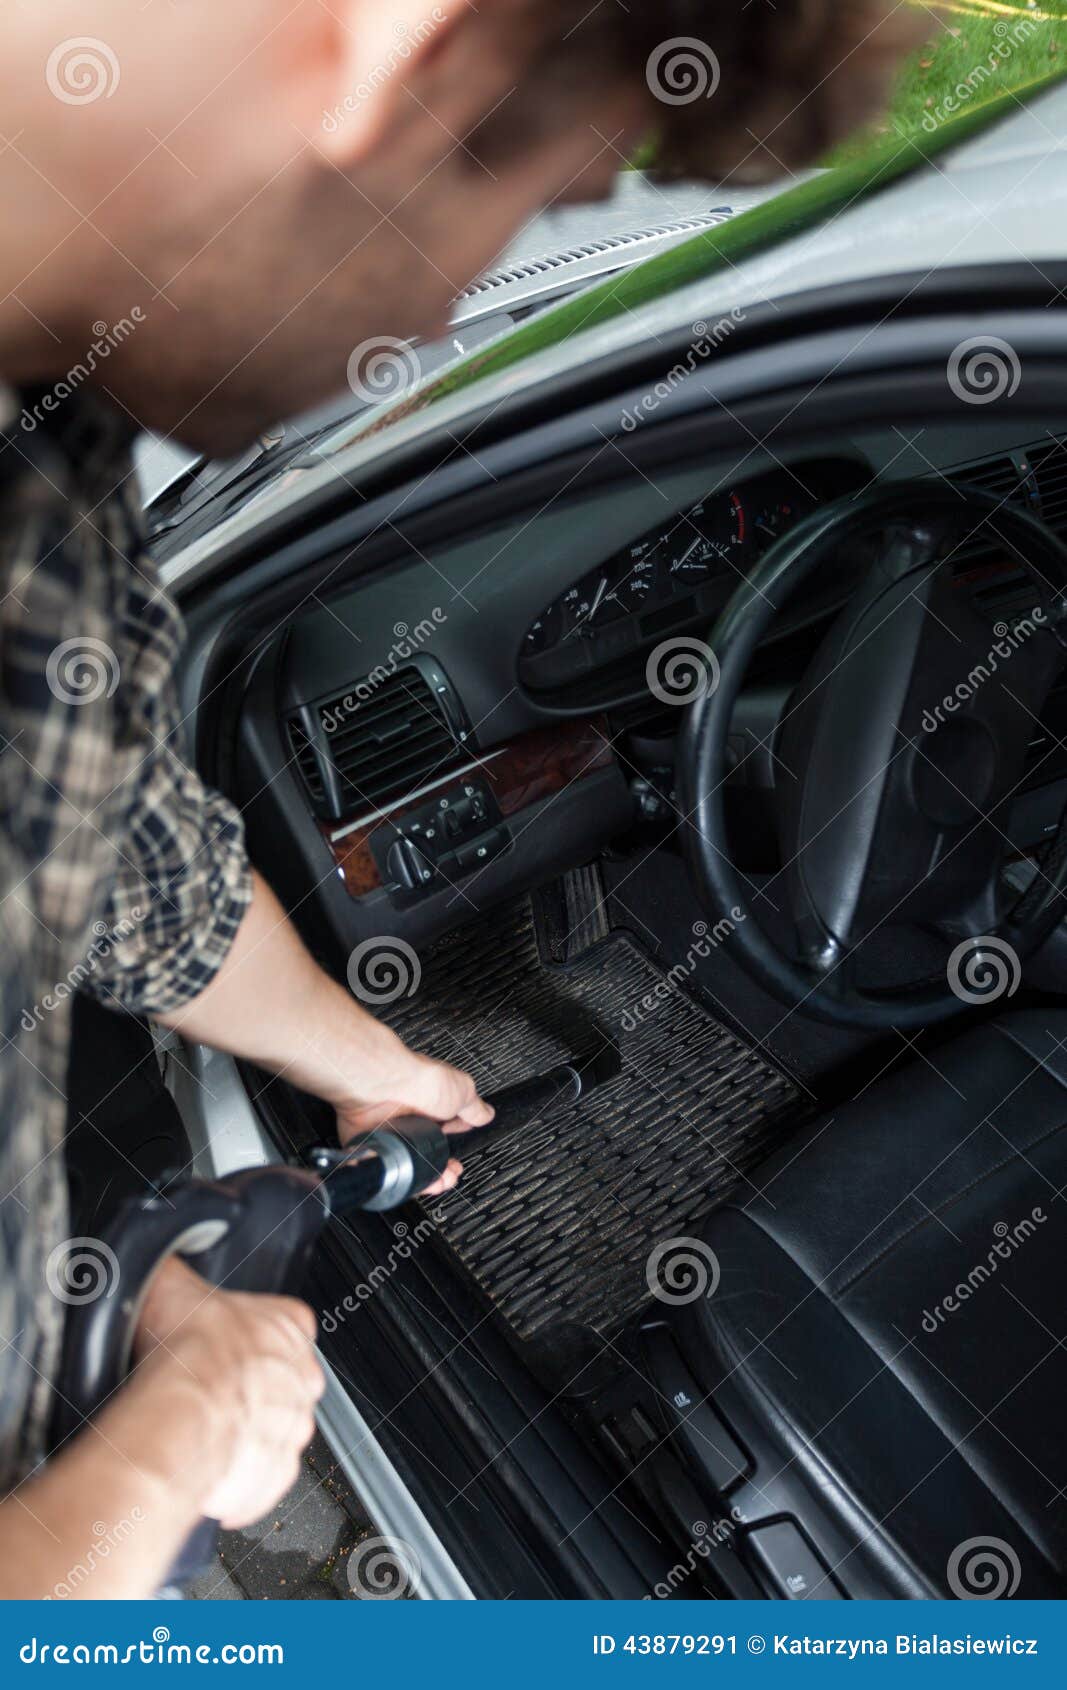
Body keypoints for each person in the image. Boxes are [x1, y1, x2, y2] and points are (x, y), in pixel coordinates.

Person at [0, 0, 916, 1597]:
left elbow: (132, 856)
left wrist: (371, 1067)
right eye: (539, 210)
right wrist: (168, 1441)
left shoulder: (44, 482)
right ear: (395, 47)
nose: (436, 326)